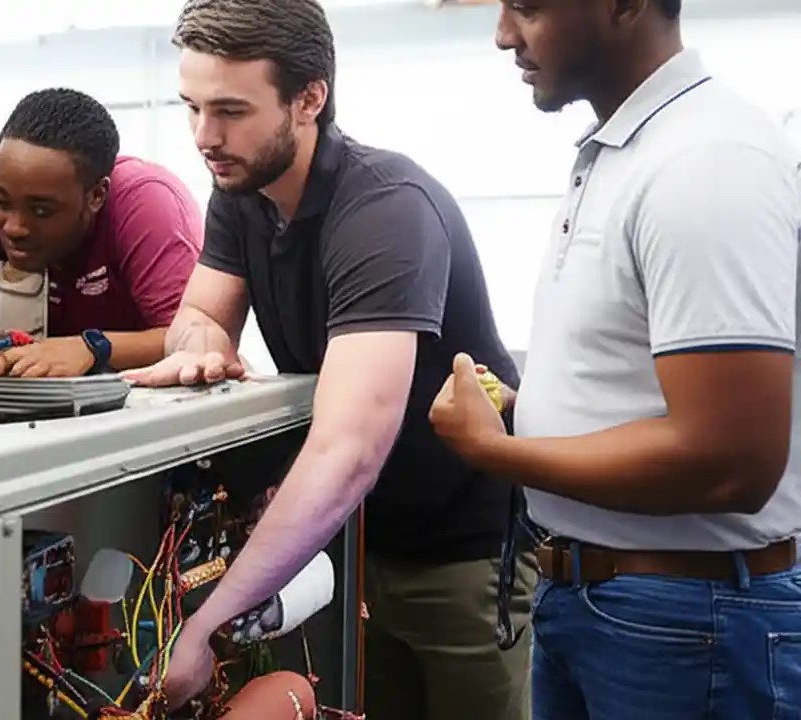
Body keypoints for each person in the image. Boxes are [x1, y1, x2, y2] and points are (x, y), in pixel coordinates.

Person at [125, 1, 533, 717]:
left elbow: (349, 449)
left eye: (230, 110)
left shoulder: (384, 211)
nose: (203, 137)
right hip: (353, 544)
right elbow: (194, 318)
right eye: (190, 108)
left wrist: (208, 624)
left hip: (462, 555)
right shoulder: (243, 192)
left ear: (309, 97)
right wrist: (204, 345)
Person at [429, 1, 801, 719]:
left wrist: (498, 450)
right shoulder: (631, 150)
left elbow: (730, 459)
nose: (504, 33)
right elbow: (637, 383)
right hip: (605, 604)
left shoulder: (705, 163)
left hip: (687, 622)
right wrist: (525, 408)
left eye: (527, 7)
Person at [0, 88, 203, 377]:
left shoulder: (148, 205)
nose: (13, 227)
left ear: (97, 195)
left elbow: (194, 339)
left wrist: (93, 347)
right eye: (1, 200)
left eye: (42, 211)